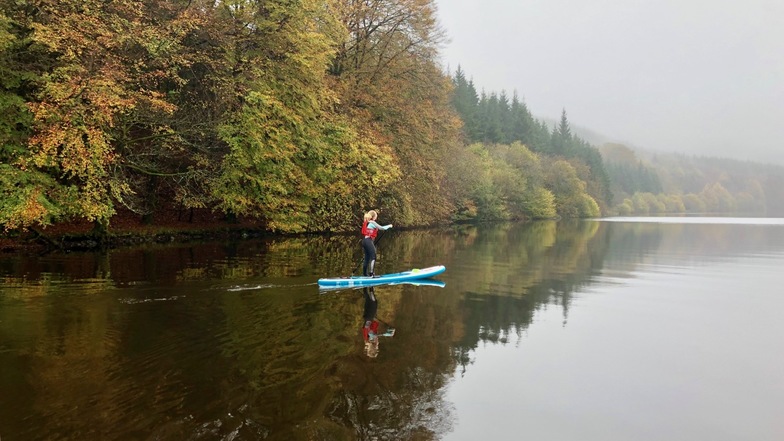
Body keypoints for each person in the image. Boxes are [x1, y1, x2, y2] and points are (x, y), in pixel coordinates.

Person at [361, 286, 395, 358]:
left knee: (373, 302)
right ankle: (367, 284)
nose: (377, 345)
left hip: (369, 318)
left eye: (376, 348)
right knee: (370, 300)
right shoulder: (374, 340)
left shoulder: (367, 340)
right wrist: (387, 330)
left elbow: (367, 329)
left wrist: (384, 334)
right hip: (370, 318)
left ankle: (369, 284)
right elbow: (374, 329)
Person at [361, 210, 392, 277]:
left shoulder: (366, 222)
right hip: (368, 241)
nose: (376, 218)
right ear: (373, 216)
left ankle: (365, 275)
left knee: (367, 258)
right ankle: (371, 274)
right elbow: (381, 228)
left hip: (365, 241)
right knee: (373, 256)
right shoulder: (372, 222)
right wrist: (389, 226)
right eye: (376, 216)